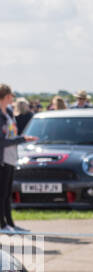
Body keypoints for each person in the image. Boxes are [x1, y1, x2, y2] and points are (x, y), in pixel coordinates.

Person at [0, 84, 36, 233]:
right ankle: (2, 225)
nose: (12, 99)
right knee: (1, 193)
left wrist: (20, 138)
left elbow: (12, 134)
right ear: (6, 96)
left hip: (11, 157)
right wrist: (22, 139)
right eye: (10, 96)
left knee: (7, 193)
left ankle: (10, 224)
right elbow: (2, 141)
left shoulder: (8, 112)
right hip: (2, 159)